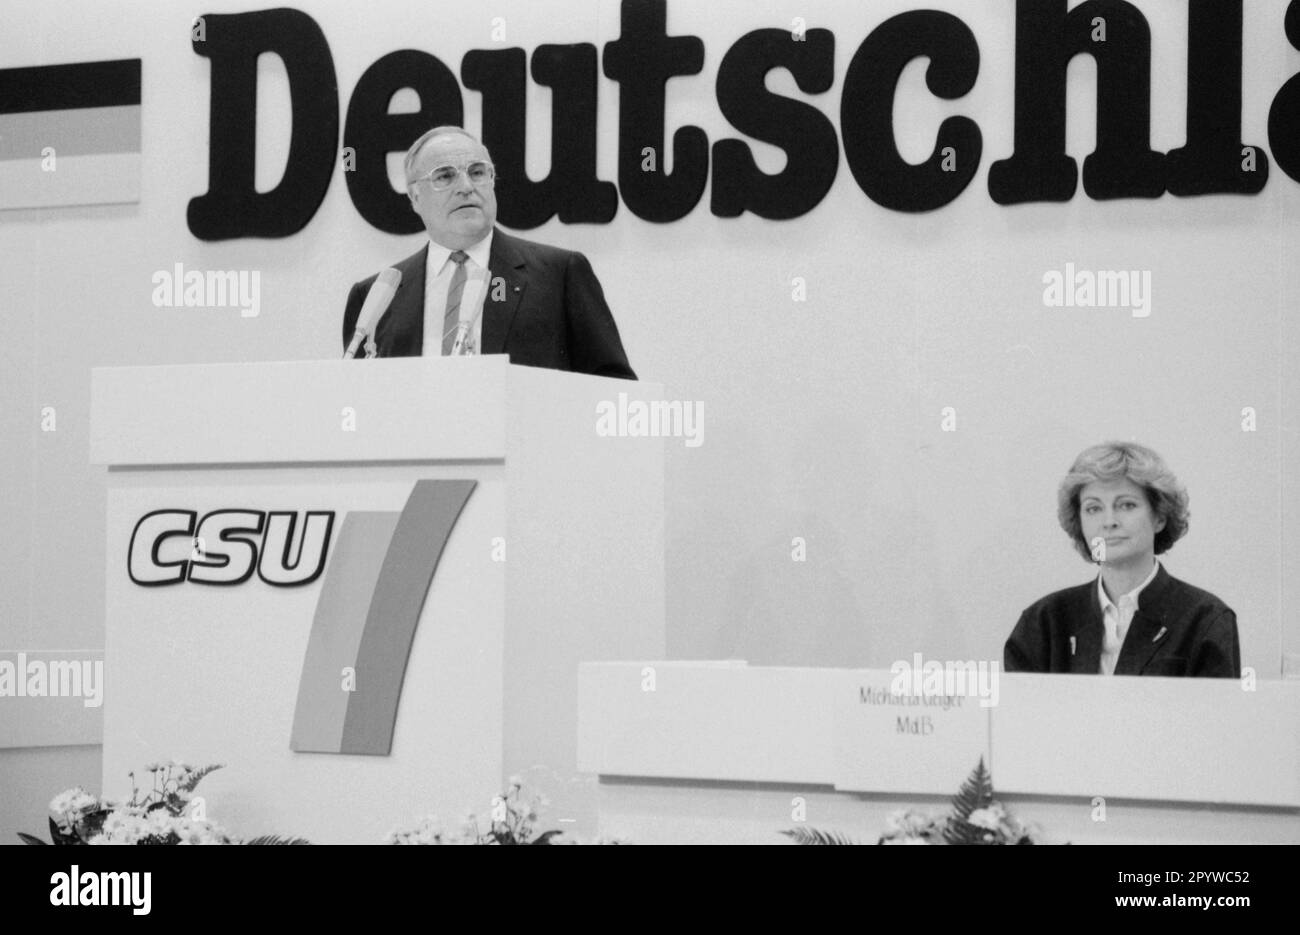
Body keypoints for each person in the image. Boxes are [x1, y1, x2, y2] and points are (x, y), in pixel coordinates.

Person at [342, 126, 636, 379]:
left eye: (477, 172)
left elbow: (612, 388)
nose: (466, 187)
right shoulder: (376, 296)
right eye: (444, 176)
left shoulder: (559, 275)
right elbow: (354, 404)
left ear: (492, 181)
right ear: (415, 197)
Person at [1004, 441, 1240, 677]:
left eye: (1126, 505)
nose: (1109, 522)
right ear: (1079, 522)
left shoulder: (1205, 619)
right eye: (1093, 508)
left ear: (1159, 517)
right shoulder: (1043, 621)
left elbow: (1216, 713)